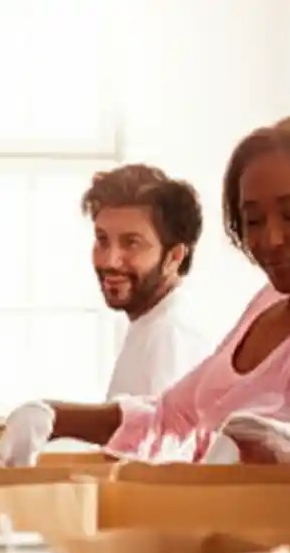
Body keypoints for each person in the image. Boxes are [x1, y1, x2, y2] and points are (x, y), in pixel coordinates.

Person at [0, 115, 290, 466]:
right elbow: (169, 415)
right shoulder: (271, 302)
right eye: (253, 220)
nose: (269, 239)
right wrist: (52, 415)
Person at [84, 163, 217, 399]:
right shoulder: (151, 324)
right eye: (102, 240)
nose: (111, 261)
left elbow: (159, 434)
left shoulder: (170, 337)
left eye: (131, 243)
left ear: (174, 257)